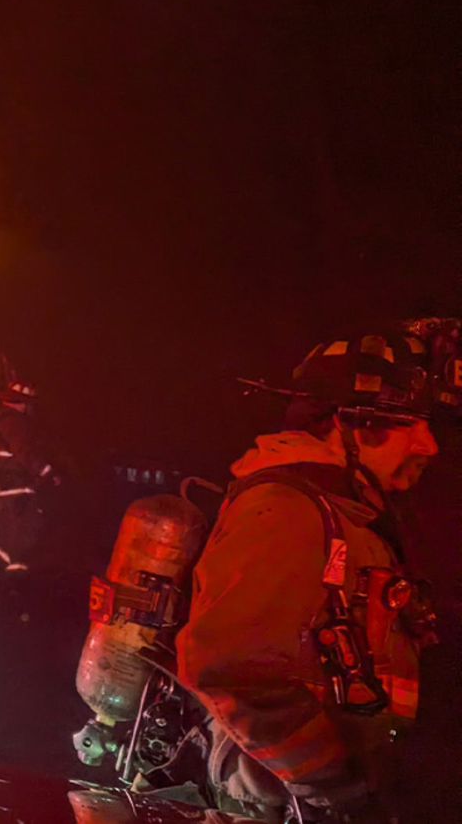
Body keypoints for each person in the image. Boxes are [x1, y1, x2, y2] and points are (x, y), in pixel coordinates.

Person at [176, 330, 443, 823]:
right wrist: (335, 786)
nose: (430, 444)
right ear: (348, 424)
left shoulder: (346, 512)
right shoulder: (287, 509)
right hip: (278, 808)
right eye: (411, 424)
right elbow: (232, 665)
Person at [0, 380, 58, 574]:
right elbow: (27, 455)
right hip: (12, 493)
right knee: (27, 531)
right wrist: (49, 474)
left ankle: (12, 576)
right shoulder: (17, 423)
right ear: (23, 402)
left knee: (13, 536)